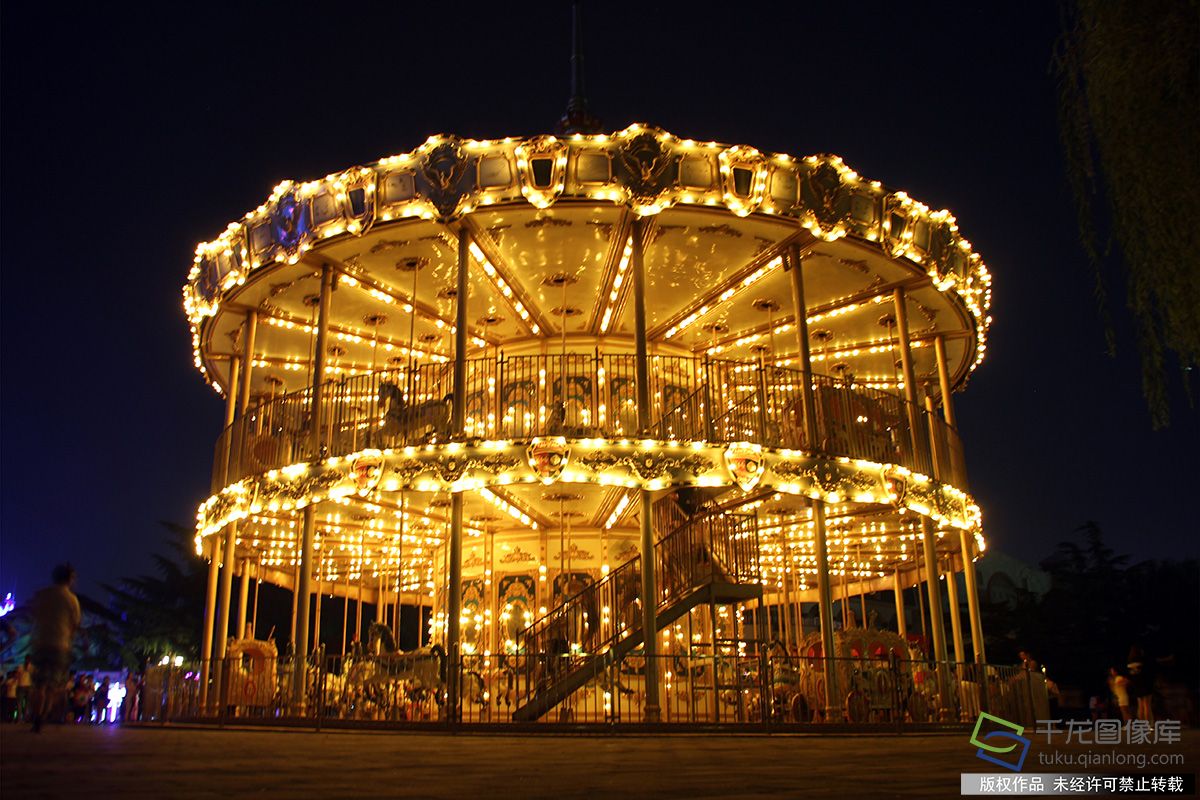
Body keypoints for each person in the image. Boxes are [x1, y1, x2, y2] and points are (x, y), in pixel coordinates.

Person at [27, 564, 83, 732]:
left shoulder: (42, 594)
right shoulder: (71, 599)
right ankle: (42, 716)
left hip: (41, 642)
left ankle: (36, 714)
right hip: (60, 645)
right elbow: (75, 624)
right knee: (52, 685)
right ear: (70, 579)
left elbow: (32, 612)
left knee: (39, 684)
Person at [15, 657, 32, 722]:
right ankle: (24, 719)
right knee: (27, 703)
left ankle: (19, 719)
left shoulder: (20, 667)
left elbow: (16, 676)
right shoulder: (32, 667)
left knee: (20, 703)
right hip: (28, 686)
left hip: (21, 685)